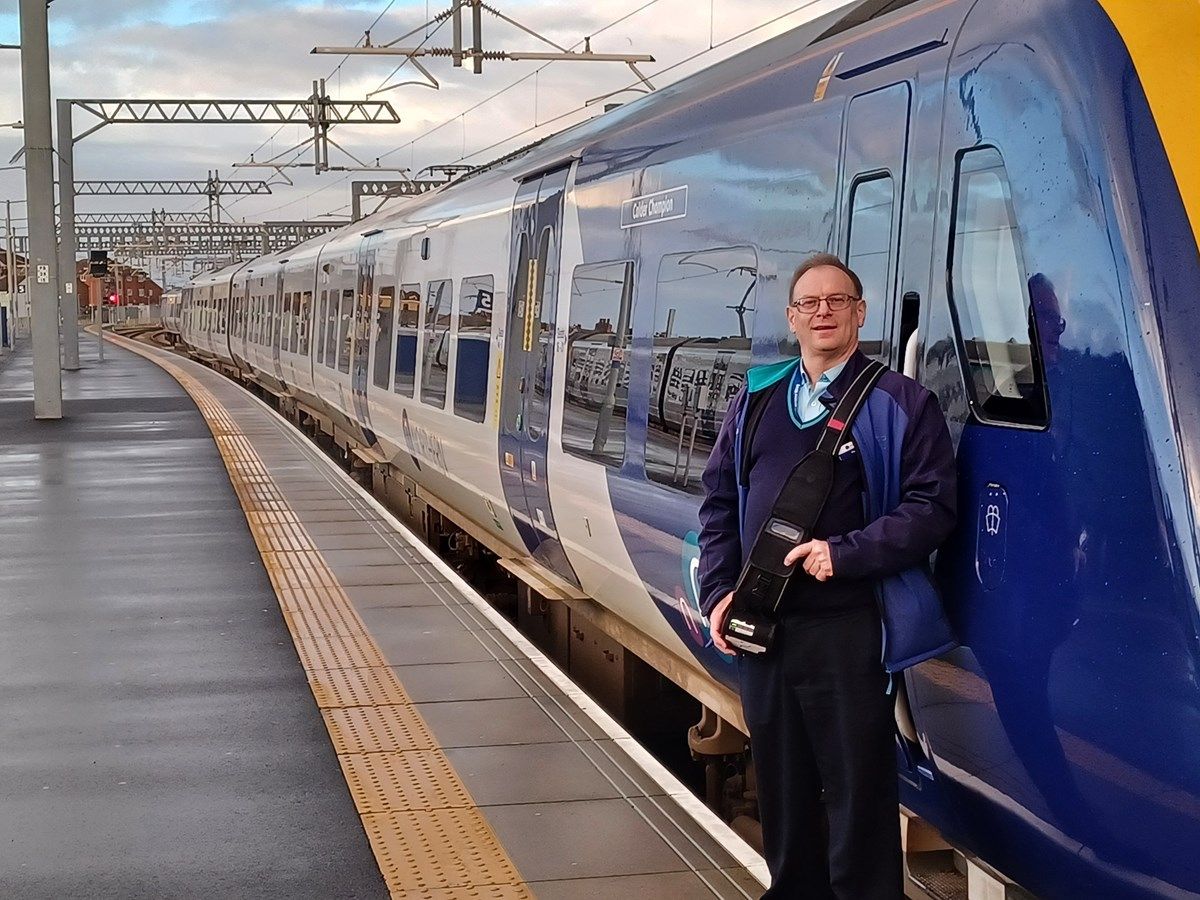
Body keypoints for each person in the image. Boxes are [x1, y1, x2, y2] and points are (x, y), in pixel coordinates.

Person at [698, 253, 957, 899]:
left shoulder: (901, 402)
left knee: (856, 786)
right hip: (765, 624)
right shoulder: (755, 399)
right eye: (810, 303)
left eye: (836, 301)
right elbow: (720, 504)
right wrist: (718, 593)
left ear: (859, 313)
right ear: (792, 317)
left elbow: (932, 507)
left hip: (847, 624)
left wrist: (846, 552)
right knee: (780, 781)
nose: (823, 312)